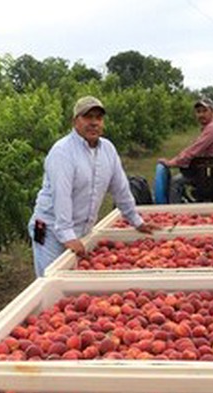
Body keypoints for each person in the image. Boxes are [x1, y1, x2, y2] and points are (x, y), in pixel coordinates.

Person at [28, 96, 157, 277]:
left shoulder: (108, 150)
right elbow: (61, 196)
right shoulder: (62, 152)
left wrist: (136, 220)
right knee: (52, 278)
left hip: (80, 230)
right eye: (88, 117)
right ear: (75, 122)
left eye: (98, 118)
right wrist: (67, 236)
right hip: (49, 229)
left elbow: (121, 189)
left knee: (74, 284)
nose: (94, 123)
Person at [158, 96, 213, 202]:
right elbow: (196, 147)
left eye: (204, 111)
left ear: (212, 111)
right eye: (198, 112)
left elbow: (193, 151)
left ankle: (174, 212)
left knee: (175, 182)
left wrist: (172, 162)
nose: (201, 114)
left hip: (211, 172)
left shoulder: (212, 128)